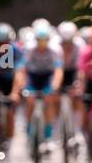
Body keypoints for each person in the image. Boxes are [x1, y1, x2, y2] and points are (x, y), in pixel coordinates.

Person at [19, 20, 64, 149]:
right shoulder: (28, 48)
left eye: (45, 40)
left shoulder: (55, 49)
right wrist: (22, 85)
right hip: (33, 76)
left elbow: (58, 71)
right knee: (30, 100)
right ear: (36, 39)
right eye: (39, 40)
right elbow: (22, 69)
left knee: (49, 100)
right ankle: (29, 130)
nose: (42, 44)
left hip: (47, 76)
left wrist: (55, 86)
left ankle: (48, 136)